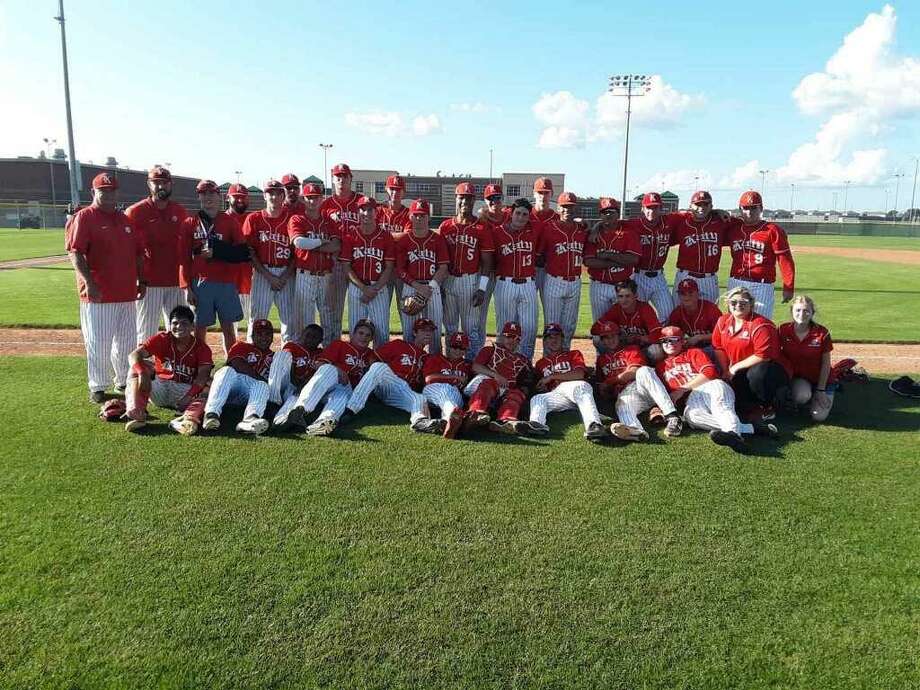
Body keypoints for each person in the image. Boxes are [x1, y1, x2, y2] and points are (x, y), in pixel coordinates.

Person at [67, 172, 146, 402]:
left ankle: (123, 380)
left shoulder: (125, 220)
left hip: (126, 292)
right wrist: (89, 283)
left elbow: (138, 254)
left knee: (126, 341)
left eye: (112, 190)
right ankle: (98, 385)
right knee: (98, 341)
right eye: (104, 190)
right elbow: (76, 253)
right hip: (98, 293)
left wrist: (142, 280)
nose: (109, 194)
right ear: (94, 192)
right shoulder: (85, 217)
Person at [655, 325, 774, 453]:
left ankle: (735, 435)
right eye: (665, 340)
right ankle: (749, 429)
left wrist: (682, 389)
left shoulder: (693, 353)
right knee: (691, 417)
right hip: (691, 401)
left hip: (710, 387)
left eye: (674, 339)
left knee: (720, 406)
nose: (669, 343)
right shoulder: (660, 367)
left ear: (683, 341)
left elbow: (710, 373)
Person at [180, 179, 250, 356]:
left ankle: (232, 363)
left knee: (228, 328)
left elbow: (242, 253)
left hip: (226, 282)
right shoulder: (190, 223)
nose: (207, 197)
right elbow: (183, 258)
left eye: (211, 193)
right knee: (199, 328)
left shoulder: (229, 221)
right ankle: (199, 364)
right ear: (199, 197)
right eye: (203, 193)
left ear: (219, 196)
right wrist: (186, 287)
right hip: (200, 283)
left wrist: (218, 251)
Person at [123, 305, 213, 435]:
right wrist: (142, 372)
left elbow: (203, 376)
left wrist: (188, 396)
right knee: (138, 367)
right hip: (161, 387)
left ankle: (189, 419)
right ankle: (137, 414)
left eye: (184, 323)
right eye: (175, 323)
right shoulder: (162, 338)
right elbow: (134, 355)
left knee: (211, 384)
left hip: (185, 390)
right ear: (169, 325)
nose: (179, 327)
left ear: (192, 327)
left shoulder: (202, 348)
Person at [125, 166, 189, 343]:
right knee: (146, 331)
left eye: (165, 183)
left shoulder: (179, 211)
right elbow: (128, 249)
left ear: (171, 185)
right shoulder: (135, 212)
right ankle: (144, 369)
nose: (161, 186)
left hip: (176, 281)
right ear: (149, 184)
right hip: (149, 282)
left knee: (178, 330)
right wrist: (137, 278)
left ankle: (174, 369)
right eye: (157, 183)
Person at [341, 318, 440, 433]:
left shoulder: (427, 358)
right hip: (388, 383)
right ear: (414, 333)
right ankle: (350, 409)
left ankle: (419, 422)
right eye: (423, 330)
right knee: (379, 367)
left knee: (419, 398)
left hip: (402, 393)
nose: (428, 333)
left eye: (430, 330)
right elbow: (373, 357)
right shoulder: (399, 345)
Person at [592, 320, 682, 441]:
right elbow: (601, 386)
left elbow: (633, 372)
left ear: (619, 336)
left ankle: (672, 416)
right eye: (606, 337)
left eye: (613, 336)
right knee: (622, 405)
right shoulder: (601, 360)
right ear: (602, 341)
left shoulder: (631, 350)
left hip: (643, 388)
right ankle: (635, 431)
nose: (610, 340)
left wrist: (610, 382)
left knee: (644, 371)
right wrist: (605, 390)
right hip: (627, 395)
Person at [712, 285, 791, 421]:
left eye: (743, 302)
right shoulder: (723, 321)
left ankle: (768, 406)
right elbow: (718, 347)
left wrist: (734, 368)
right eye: (734, 302)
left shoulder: (761, 324)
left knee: (756, 374)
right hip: (741, 367)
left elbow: (763, 356)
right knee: (737, 398)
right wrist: (725, 370)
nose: (738, 305)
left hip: (771, 367)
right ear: (728, 304)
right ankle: (750, 406)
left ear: (751, 304)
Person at [291, 320, 379, 437]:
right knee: (329, 369)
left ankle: (323, 423)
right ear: (353, 334)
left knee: (341, 396)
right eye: (361, 333)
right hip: (326, 383)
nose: (363, 338)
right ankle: (301, 410)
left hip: (346, 389)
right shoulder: (340, 345)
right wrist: (338, 370)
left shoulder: (371, 355)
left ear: (371, 339)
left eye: (368, 335)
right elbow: (319, 365)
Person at [438, 182, 495, 359]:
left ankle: (473, 367)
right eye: (462, 198)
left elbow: (487, 262)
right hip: (448, 280)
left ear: (474, 201)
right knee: (450, 327)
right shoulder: (445, 226)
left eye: (469, 199)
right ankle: (451, 363)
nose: (465, 202)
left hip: (470, 281)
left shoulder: (481, 228)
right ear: (456, 199)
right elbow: (438, 259)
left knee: (471, 329)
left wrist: (482, 288)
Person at [523, 323, 607, 440]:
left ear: (562, 339)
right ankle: (537, 425)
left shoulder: (573, 354)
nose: (554, 340)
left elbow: (579, 374)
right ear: (545, 341)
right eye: (550, 337)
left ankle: (594, 425)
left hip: (576, 389)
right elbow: (539, 385)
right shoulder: (540, 364)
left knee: (581, 385)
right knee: (538, 399)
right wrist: (541, 387)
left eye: (557, 336)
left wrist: (552, 377)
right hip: (558, 395)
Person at [725, 190, 796, 318]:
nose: (749, 212)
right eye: (745, 208)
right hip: (736, 281)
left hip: (762, 285)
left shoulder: (772, 230)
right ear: (740, 209)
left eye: (754, 208)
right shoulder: (733, 228)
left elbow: (785, 260)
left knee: (761, 324)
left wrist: (788, 287)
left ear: (761, 208)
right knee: (734, 324)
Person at [202, 319, 278, 435]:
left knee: (262, 385)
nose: (264, 337)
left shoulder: (275, 357)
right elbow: (237, 364)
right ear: (252, 336)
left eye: (267, 334)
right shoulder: (241, 346)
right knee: (227, 371)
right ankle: (212, 414)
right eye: (259, 334)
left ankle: (250, 419)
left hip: (249, 394)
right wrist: (261, 378)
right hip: (231, 386)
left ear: (272, 337)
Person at [242, 179, 296, 341]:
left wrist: (285, 276)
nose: (274, 196)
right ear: (264, 196)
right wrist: (269, 276)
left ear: (283, 196)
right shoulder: (254, 219)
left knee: (289, 320)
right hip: (262, 273)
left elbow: (297, 253)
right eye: (270, 193)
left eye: (278, 193)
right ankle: (252, 355)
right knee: (257, 318)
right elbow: (249, 252)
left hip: (286, 273)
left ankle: (287, 357)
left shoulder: (292, 220)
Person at [288, 182, 341, 346]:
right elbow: (299, 243)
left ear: (321, 199)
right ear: (304, 199)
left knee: (329, 318)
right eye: (309, 198)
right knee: (303, 320)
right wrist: (320, 241)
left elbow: (336, 246)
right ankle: (303, 357)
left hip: (326, 275)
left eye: (316, 198)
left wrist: (313, 245)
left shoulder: (328, 221)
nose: (312, 201)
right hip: (305, 275)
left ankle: (329, 355)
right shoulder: (297, 218)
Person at [339, 195, 395, 346]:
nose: (366, 213)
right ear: (358, 213)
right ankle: (355, 366)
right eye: (363, 210)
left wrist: (374, 289)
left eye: (370, 210)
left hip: (379, 288)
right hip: (357, 288)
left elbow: (389, 267)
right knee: (355, 330)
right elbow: (346, 266)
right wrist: (364, 288)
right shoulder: (350, 235)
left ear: (376, 213)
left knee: (382, 333)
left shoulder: (386, 236)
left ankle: (380, 367)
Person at [396, 199, 449, 352]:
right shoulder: (404, 240)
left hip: (433, 288)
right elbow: (400, 270)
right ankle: (409, 364)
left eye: (423, 215)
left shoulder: (437, 239)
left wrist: (429, 288)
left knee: (435, 331)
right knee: (408, 331)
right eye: (416, 215)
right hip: (411, 288)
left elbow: (443, 268)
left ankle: (434, 365)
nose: (419, 218)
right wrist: (418, 287)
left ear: (428, 217)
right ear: (410, 217)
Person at [463, 321, 533, 434]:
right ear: (502, 336)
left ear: (519, 340)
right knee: (490, 383)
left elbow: (525, 385)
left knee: (516, 393)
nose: (511, 340)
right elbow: (476, 367)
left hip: (502, 392)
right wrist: (496, 375)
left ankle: (506, 421)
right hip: (480, 384)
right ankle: (475, 413)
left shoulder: (523, 360)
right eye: (508, 336)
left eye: (515, 338)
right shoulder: (490, 349)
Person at [492, 199, 541, 359]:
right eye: (518, 213)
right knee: (505, 328)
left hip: (528, 284)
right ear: (511, 214)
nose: (521, 217)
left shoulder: (534, 230)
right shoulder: (497, 232)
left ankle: (524, 365)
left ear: (529, 216)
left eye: (525, 214)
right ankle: (501, 363)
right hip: (505, 283)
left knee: (529, 328)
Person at [538, 192, 587, 350]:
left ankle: (565, 360)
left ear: (576, 208)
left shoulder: (581, 230)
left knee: (569, 327)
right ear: (558, 208)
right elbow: (539, 256)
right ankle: (548, 362)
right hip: (554, 281)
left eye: (571, 207)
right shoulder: (548, 229)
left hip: (575, 282)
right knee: (552, 327)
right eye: (564, 207)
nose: (568, 210)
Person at [320, 163, 361, 343]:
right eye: (338, 177)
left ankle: (356, 350)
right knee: (332, 308)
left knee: (358, 308)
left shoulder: (361, 202)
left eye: (345, 176)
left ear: (351, 179)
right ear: (333, 180)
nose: (341, 180)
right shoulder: (326, 205)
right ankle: (331, 346)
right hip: (335, 262)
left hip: (358, 262)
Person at [622, 192, 680, 319]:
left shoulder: (669, 222)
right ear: (642, 208)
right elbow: (612, 224)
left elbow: (691, 215)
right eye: (649, 207)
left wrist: (717, 212)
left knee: (668, 313)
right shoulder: (634, 224)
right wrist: (597, 226)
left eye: (655, 207)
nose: (652, 211)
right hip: (638, 276)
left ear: (661, 208)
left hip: (659, 277)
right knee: (636, 315)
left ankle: (661, 339)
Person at [778, 295, 835, 422]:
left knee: (818, 416)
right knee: (802, 396)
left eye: (806, 311)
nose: (801, 314)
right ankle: (804, 397)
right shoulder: (783, 330)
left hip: (821, 379)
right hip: (800, 379)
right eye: (798, 310)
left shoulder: (822, 333)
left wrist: (821, 390)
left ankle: (820, 393)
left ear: (812, 313)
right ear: (791, 311)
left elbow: (826, 364)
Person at [583, 197, 639, 324]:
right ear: (600, 215)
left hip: (623, 286)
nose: (608, 215)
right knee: (600, 327)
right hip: (599, 286)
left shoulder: (628, 233)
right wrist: (618, 261)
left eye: (611, 212)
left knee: (624, 325)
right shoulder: (593, 235)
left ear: (617, 214)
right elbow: (589, 262)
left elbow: (633, 259)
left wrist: (608, 255)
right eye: (604, 212)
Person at [669, 190, 732, 304]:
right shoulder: (681, 221)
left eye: (705, 204)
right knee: (678, 314)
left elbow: (743, 224)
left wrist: (716, 212)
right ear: (690, 206)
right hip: (685, 275)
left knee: (711, 315)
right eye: (698, 204)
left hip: (709, 279)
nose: (701, 207)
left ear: (711, 206)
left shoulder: (720, 222)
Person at [271, 324, 325, 430]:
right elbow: (287, 363)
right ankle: (272, 402)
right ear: (302, 335)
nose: (310, 339)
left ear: (321, 340)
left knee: (295, 397)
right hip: (288, 383)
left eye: (315, 337)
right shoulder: (292, 346)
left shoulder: (322, 353)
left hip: (304, 390)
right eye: (308, 335)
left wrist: (303, 387)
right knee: (281, 355)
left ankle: (280, 421)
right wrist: (295, 382)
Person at [422, 331, 473, 439]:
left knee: (452, 391)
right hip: (433, 390)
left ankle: (448, 422)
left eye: (461, 348)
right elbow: (428, 379)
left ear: (466, 350)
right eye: (455, 347)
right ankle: (456, 418)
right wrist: (455, 377)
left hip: (455, 395)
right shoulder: (436, 359)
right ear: (448, 346)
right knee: (446, 388)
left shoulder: (468, 365)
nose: (457, 350)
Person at [593, 278, 661, 349]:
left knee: (656, 350)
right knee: (598, 340)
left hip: (644, 347)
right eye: (620, 296)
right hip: (623, 346)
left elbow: (657, 334)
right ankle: (608, 359)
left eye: (627, 296)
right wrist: (616, 334)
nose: (624, 300)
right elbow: (595, 329)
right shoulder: (616, 309)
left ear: (636, 295)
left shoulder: (645, 309)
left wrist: (639, 338)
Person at [377, 174, 412, 303]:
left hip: (402, 268)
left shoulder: (409, 214)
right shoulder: (378, 211)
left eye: (398, 189)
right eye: (392, 189)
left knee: (405, 309)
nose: (395, 192)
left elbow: (407, 237)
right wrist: (396, 236)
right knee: (380, 309)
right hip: (380, 268)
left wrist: (382, 235)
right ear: (386, 189)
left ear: (404, 192)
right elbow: (371, 235)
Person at [225, 183, 252, 338]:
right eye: (236, 197)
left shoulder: (252, 219)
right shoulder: (222, 219)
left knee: (252, 319)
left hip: (248, 276)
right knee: (229, 322)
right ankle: (231, 356)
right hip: (229, 277)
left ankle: (253, 356)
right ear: (228, 198)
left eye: (243, 197)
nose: (240, 200)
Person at [665, 278, 722, 349]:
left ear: (698, 294)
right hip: (689, 349)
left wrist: (700, 337)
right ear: (679, 296)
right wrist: (681, 340)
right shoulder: (677, 313)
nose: (687, 296)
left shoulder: (711, 309)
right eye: (683, 293)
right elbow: (669, 334)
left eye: (690, 292)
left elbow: (722, 333)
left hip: (712, 347)